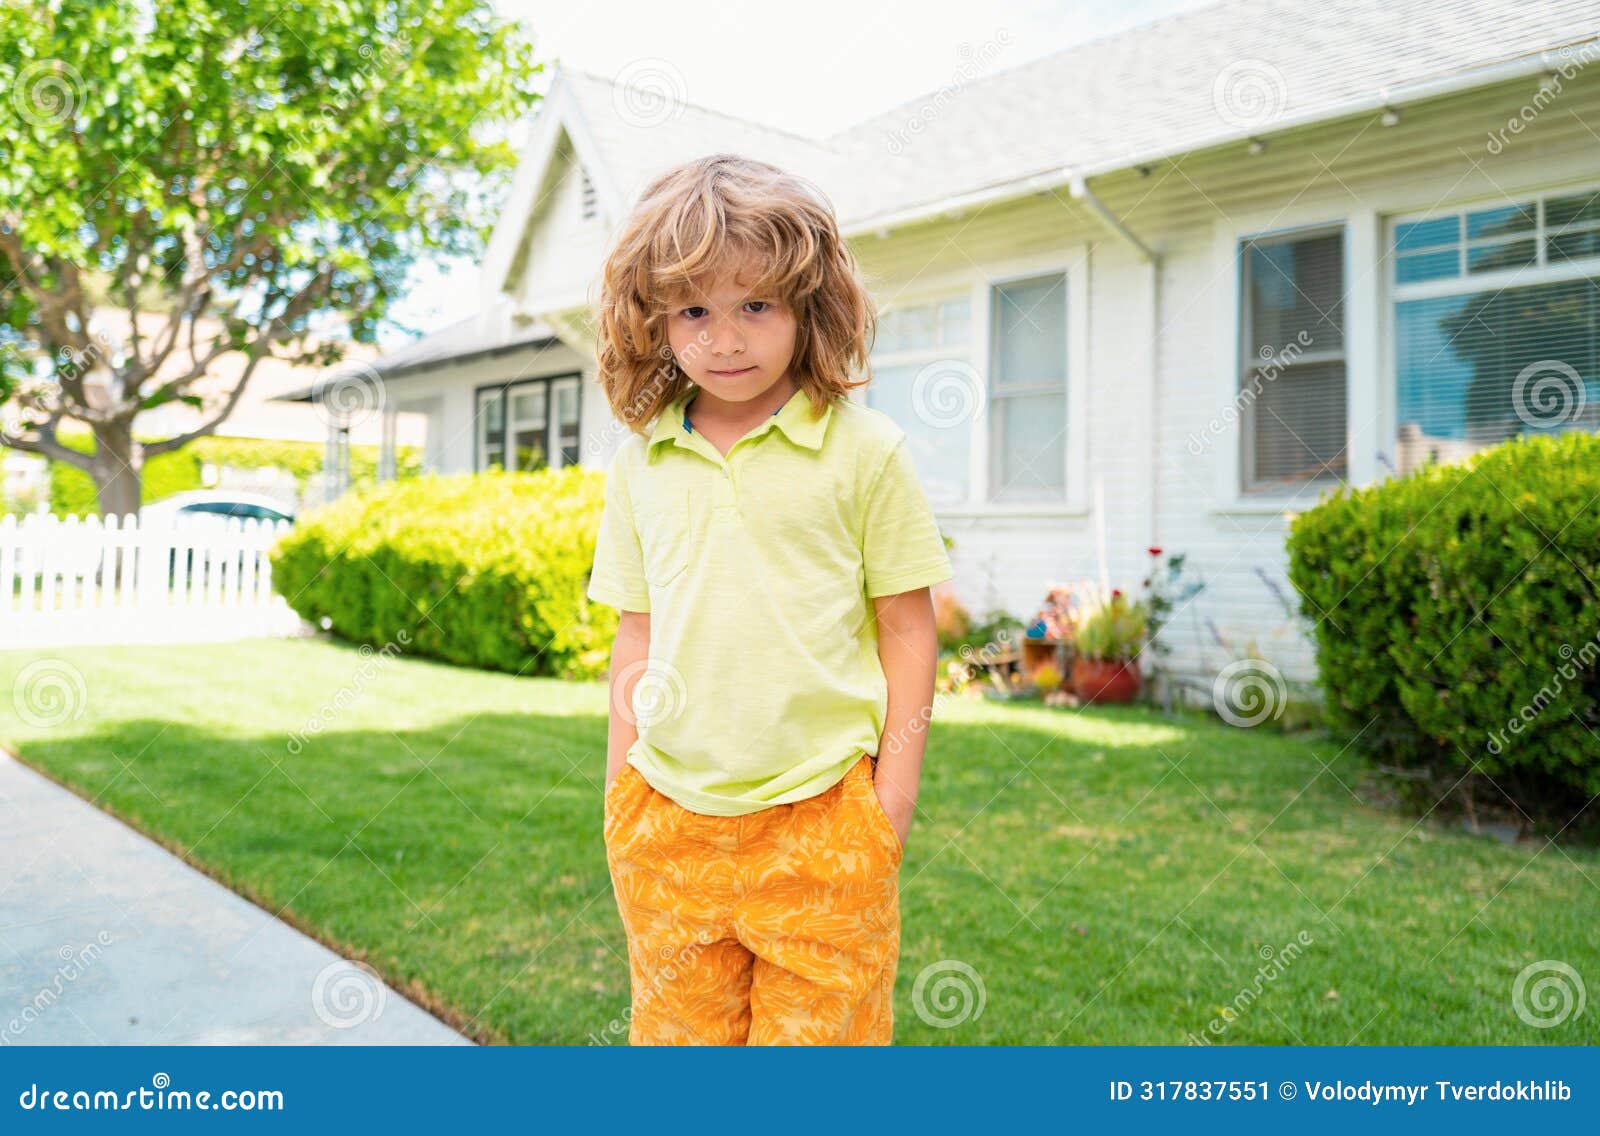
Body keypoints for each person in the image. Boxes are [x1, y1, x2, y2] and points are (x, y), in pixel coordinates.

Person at [586, 153, 953, 1045]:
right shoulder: (641, 465)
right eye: (695, 311)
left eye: (756, 305)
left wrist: (889, 803)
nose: (726, 338)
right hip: (668, 823)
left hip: (826, 818)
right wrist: (619, 799)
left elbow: (908, 627)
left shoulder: (866, 451)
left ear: (807, 306)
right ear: (657, 321)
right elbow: (635, 639)